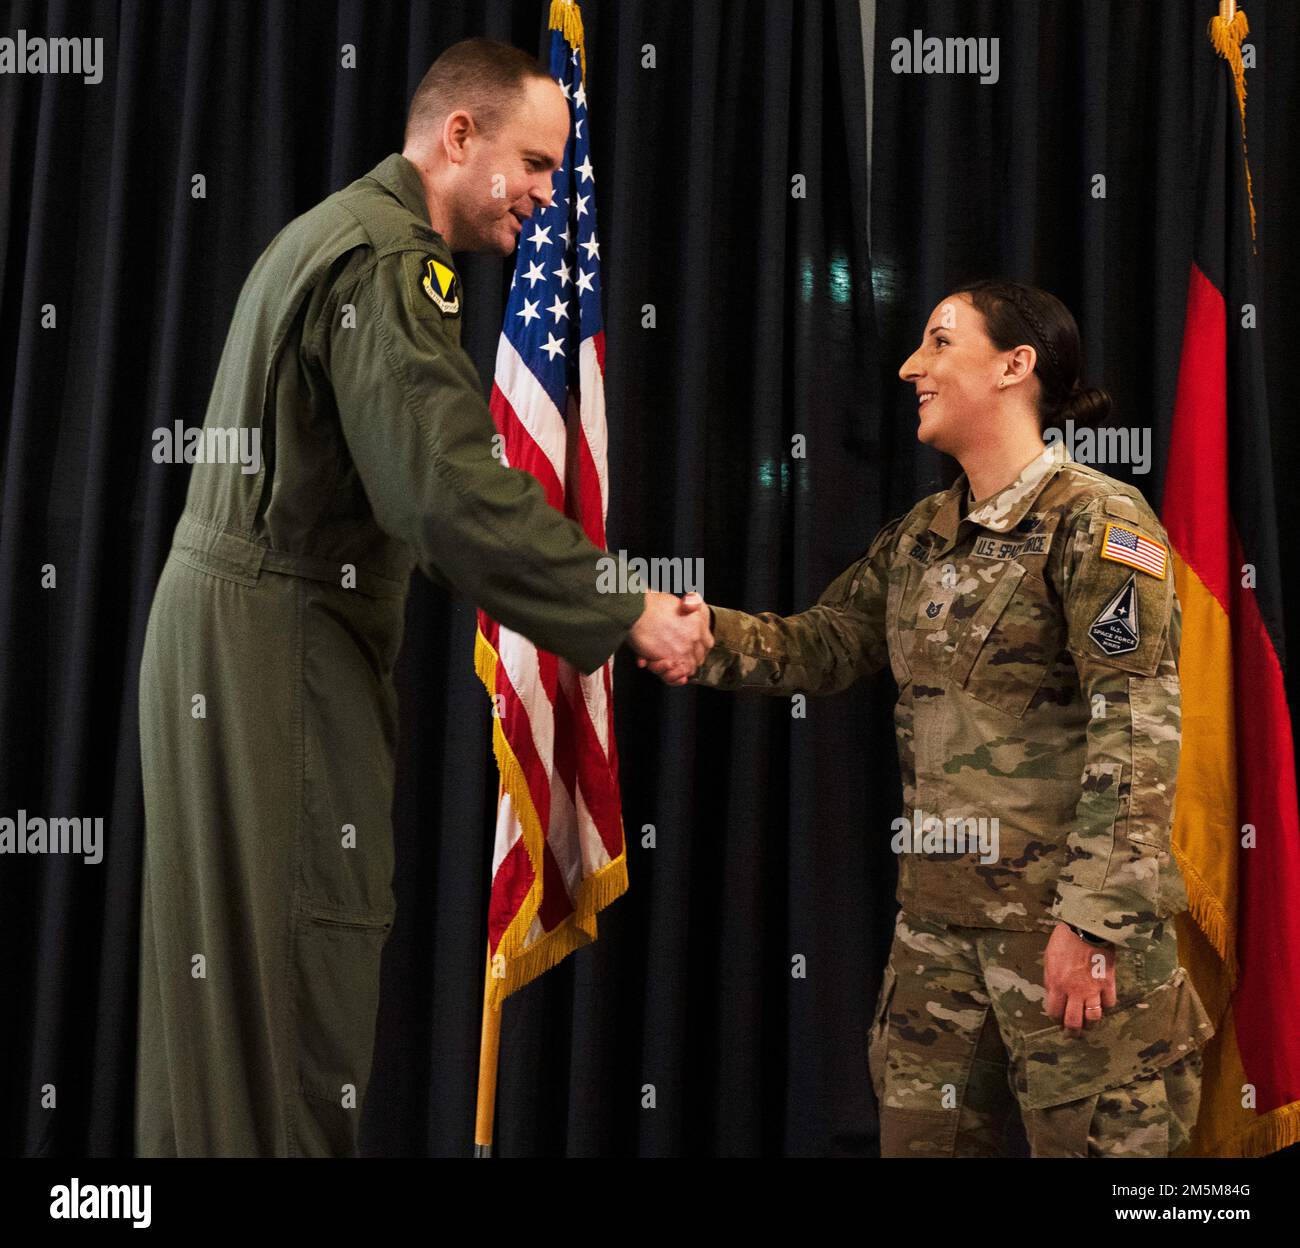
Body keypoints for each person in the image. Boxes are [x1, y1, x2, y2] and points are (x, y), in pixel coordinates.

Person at [136, 37, 711, 1158]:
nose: (548, 197)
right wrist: (620, 607)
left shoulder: (335, 227)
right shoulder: (393, 263)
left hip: (235, 629)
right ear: (459, 137)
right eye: (535, 166)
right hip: (278, 646)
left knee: (222, 1005)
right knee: (301, 978)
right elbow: (444, 493)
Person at [651, 280, 1214, 1157]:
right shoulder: (924, 532)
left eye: (940, 342)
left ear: (1015, 366)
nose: (913, 365)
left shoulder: (1098, 520)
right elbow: (827, 644)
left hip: (1064, 942)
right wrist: (700, 633)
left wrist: (1097, 922)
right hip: (936, 942)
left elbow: (1137, 726)